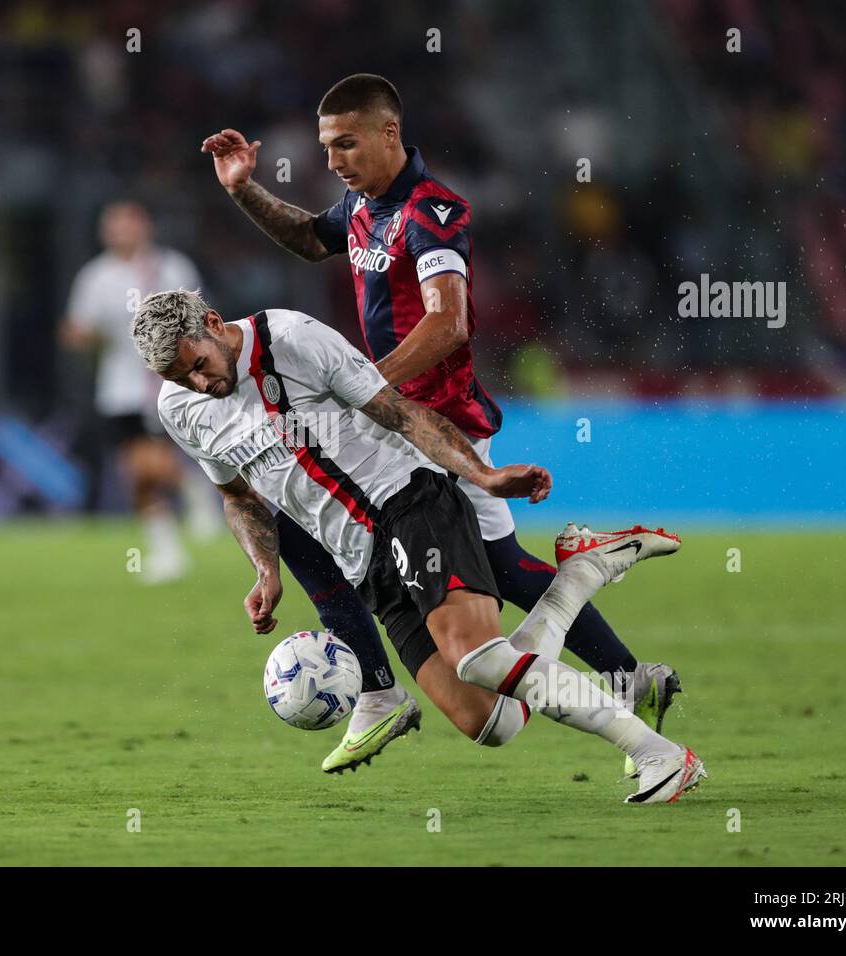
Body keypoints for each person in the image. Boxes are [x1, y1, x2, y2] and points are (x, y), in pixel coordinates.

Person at [202, 74, 679, 776]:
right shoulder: (364, 206)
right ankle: (627, 674)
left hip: (435, 426)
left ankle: (378, 691)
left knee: (308, 523)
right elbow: (308, 239)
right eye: (326, 147)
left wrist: (364, 385)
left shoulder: (433, 212)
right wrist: (244, 188)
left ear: (389, 133)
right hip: (394, 421)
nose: (332, 160)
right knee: (507, 569)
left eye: (346, 144)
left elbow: (448, 323)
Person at [131, 290, 706, 804]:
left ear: (212, 322)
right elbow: (239, 498)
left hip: (409, 504)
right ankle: (579, 575)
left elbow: (403, 414)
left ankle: (660, 755)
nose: (201, 385)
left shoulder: (294, 338)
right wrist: (265, 570)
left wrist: (482, 476)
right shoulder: (179, 409)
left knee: (477, 657)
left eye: (200, 366)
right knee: (489, 722)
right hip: (362, 561)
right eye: (184, 380)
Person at [59, 200, 221, 583]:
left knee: (143, 460)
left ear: (143, 226)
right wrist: (80, 337)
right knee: (135, 474)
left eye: (126, 224)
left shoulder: (171, 267)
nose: (118, 232)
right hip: (118, 386)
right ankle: (169, 545)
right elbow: (80, 328)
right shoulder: (95, 276)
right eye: (111, 225)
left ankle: (194, 489)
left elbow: (200, 320)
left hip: (167, 382)